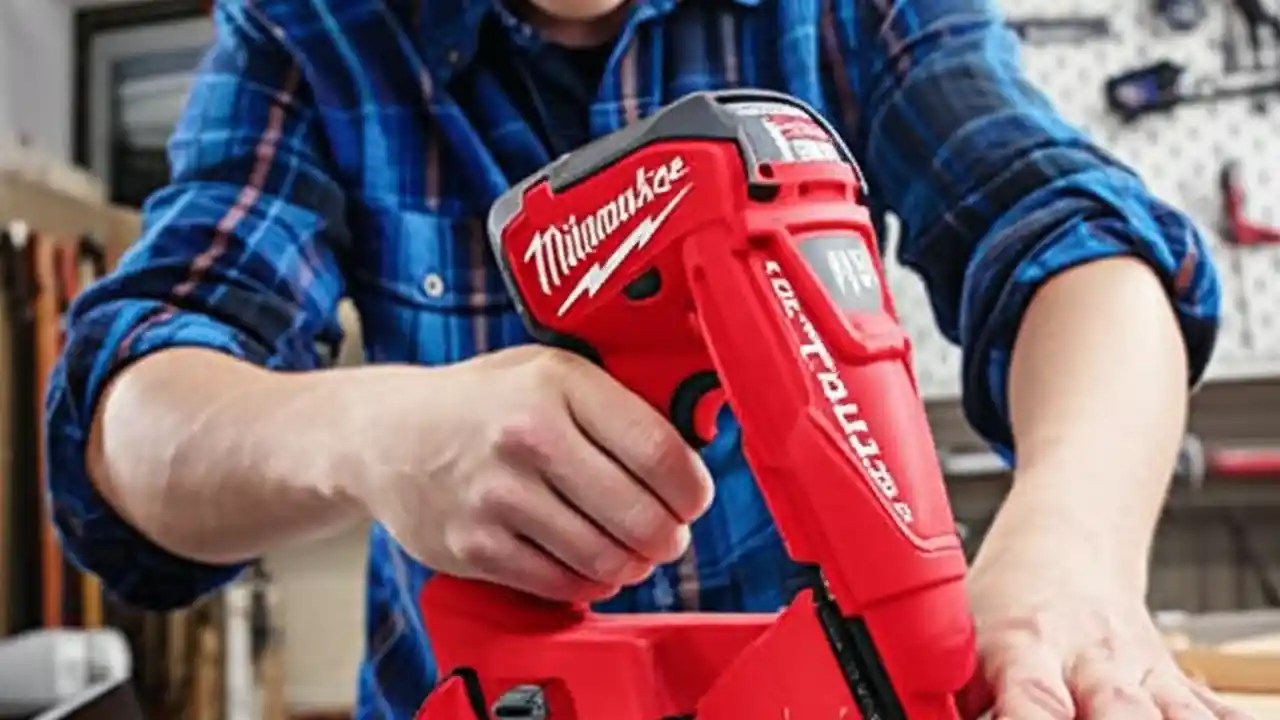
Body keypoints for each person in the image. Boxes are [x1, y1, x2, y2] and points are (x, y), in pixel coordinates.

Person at [45, 0, 1243, 717]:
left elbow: (1072, 237)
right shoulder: (310, 30)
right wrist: (372, 434)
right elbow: (128, 420)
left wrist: (1068, 551)